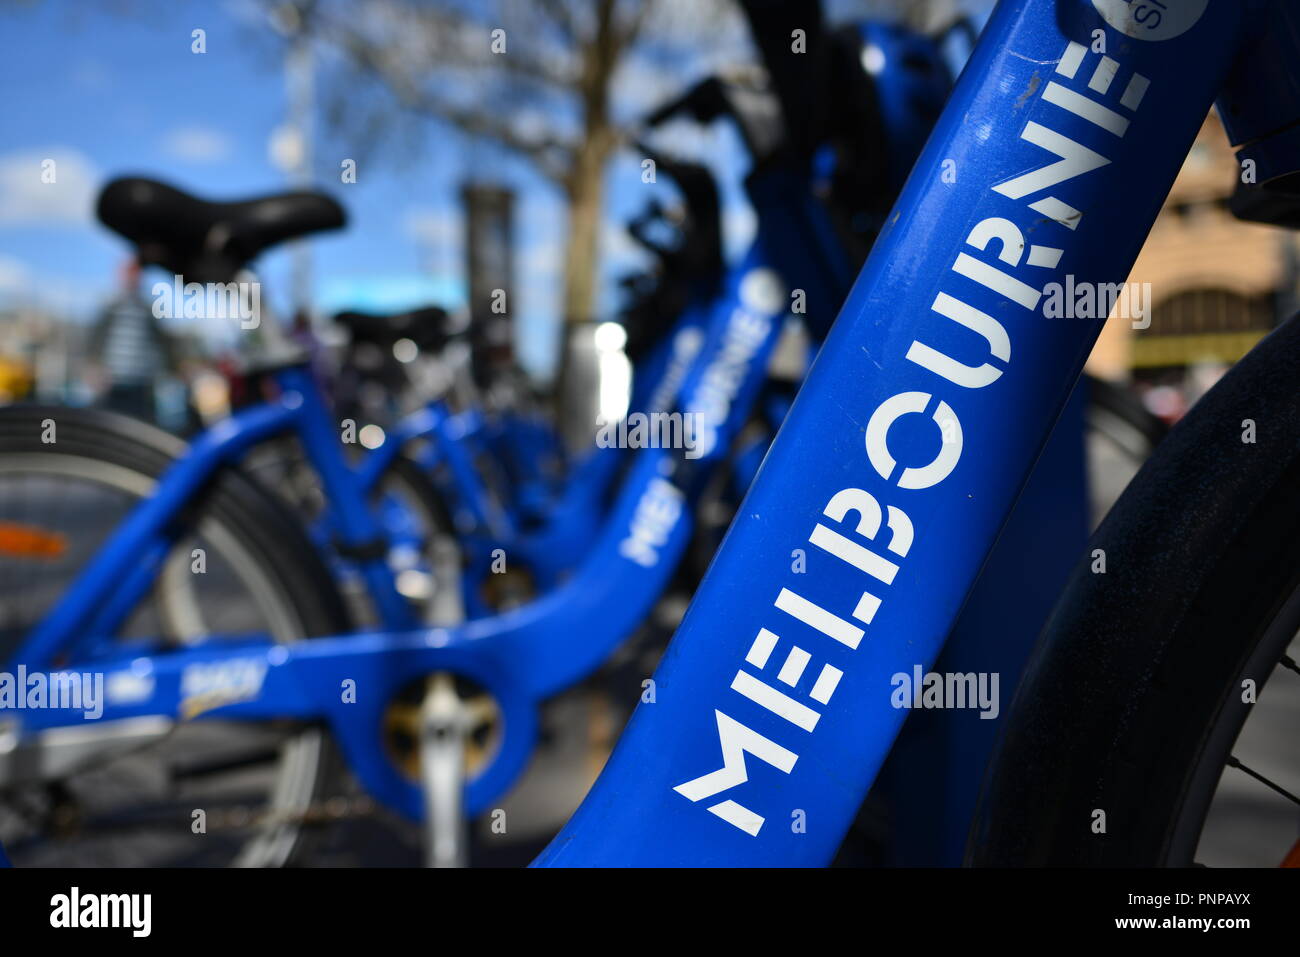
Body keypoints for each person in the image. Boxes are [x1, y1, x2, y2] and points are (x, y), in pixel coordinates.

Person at [87, 259, 176, 423]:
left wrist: (167, 370)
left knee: (139, 425)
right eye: (128, 273)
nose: (132, 277)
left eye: (135, 273)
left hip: (141, 383)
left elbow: (162, 343)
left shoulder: (148, 308)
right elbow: (95, 339)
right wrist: (94, 368)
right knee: (109, 424)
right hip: (112, 382)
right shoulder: (110, 305)